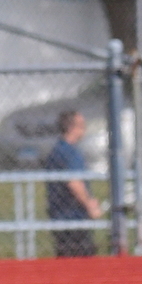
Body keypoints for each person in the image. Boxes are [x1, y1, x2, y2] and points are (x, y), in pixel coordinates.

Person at [45, 110, 102, 257]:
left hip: (60, 216)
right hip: (72, 217)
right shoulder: (69, 152)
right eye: (82, 125)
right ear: (72, 128)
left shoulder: (57, 150)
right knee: (81, 260)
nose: (84, 129)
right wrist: (89, 204)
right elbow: (74, 182)